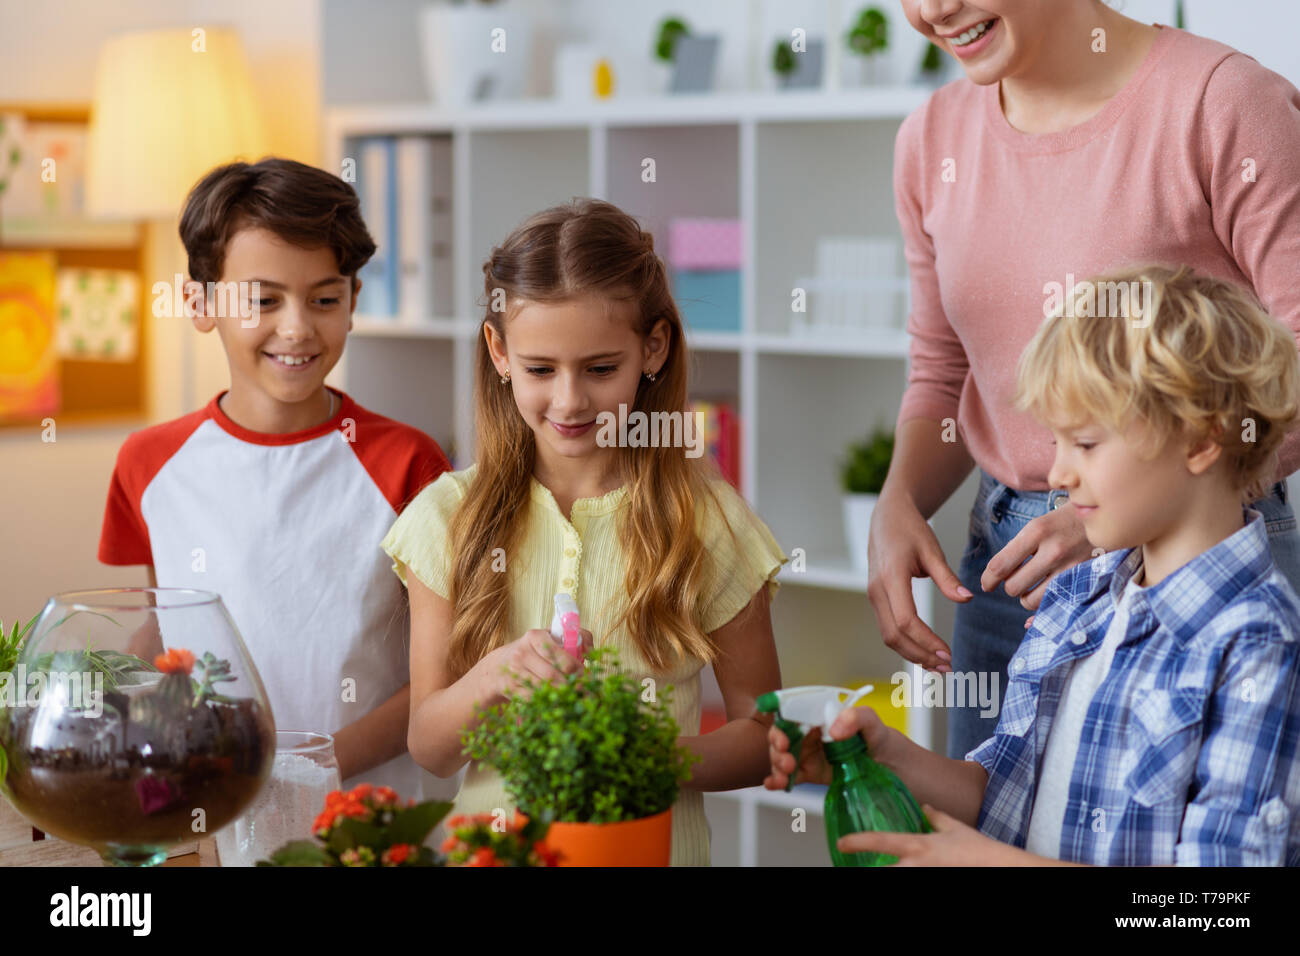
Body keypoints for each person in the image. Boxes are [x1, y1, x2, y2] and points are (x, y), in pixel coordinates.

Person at [874, 0, 1300, 759]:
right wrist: (898, 500)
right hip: (1006, 574)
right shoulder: (929, 141)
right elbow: (942, 371)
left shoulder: (1223, 102)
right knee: (999, 832)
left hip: (1190, 564)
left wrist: (1118, 515)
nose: (933, 10)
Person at [770, 264, 1300, 865]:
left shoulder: (1259, 646)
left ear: (1203, 439)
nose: (1056, 475)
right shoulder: (1079, 598)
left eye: (1087, 444)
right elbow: (1010, 795)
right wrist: (892, 759)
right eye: (1056, 444)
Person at [381, 198, 788, 865]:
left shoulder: (707, 522)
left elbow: (764, 733)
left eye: (601, 369)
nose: (570, 402)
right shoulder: (448, 517)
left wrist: (649, 759)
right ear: (500, 352)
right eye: (541, 369)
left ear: (652, 348)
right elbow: (431, 747)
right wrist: (492, 679)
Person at [98, 158, 451, 798]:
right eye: (263, 300)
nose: (297, 328)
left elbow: (443, 676)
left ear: (352, 302)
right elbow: (164, 629)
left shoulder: (409, 464)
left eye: (324, 298)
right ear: (200, 302)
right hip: (213, 813)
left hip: (374, 819)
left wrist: (301, 772)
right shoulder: (147, 464)